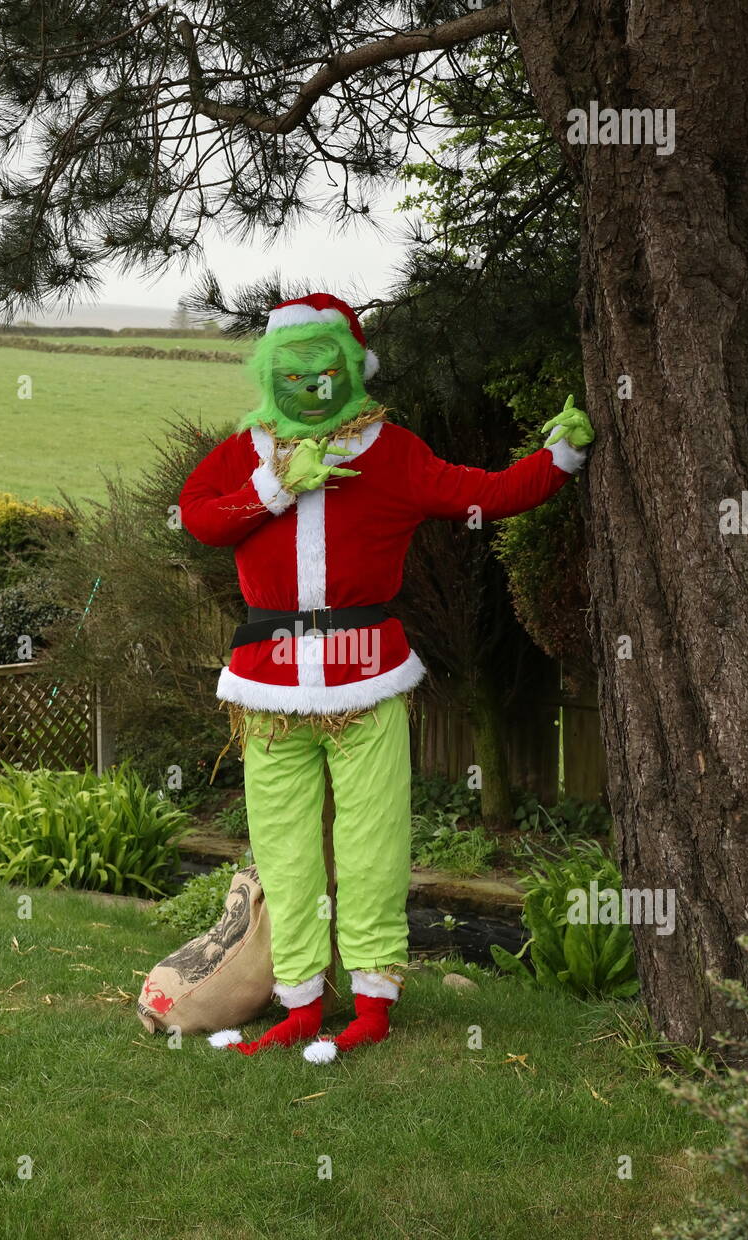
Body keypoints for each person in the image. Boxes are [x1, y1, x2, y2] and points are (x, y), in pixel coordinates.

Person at [179, 293, 594, 1062]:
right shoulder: (248, 452)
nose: (309, 386)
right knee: (286, 852)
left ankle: (373, 999)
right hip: (268, 691)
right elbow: (201, 517)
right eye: (293, 372)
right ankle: (300, 1000)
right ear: (272, 374)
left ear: (351, 371)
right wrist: (277, 487)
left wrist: (556, 459)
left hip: (365, 683)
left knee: (373, 843)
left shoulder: (390, 450)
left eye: (323, 370)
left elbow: (482, 493)